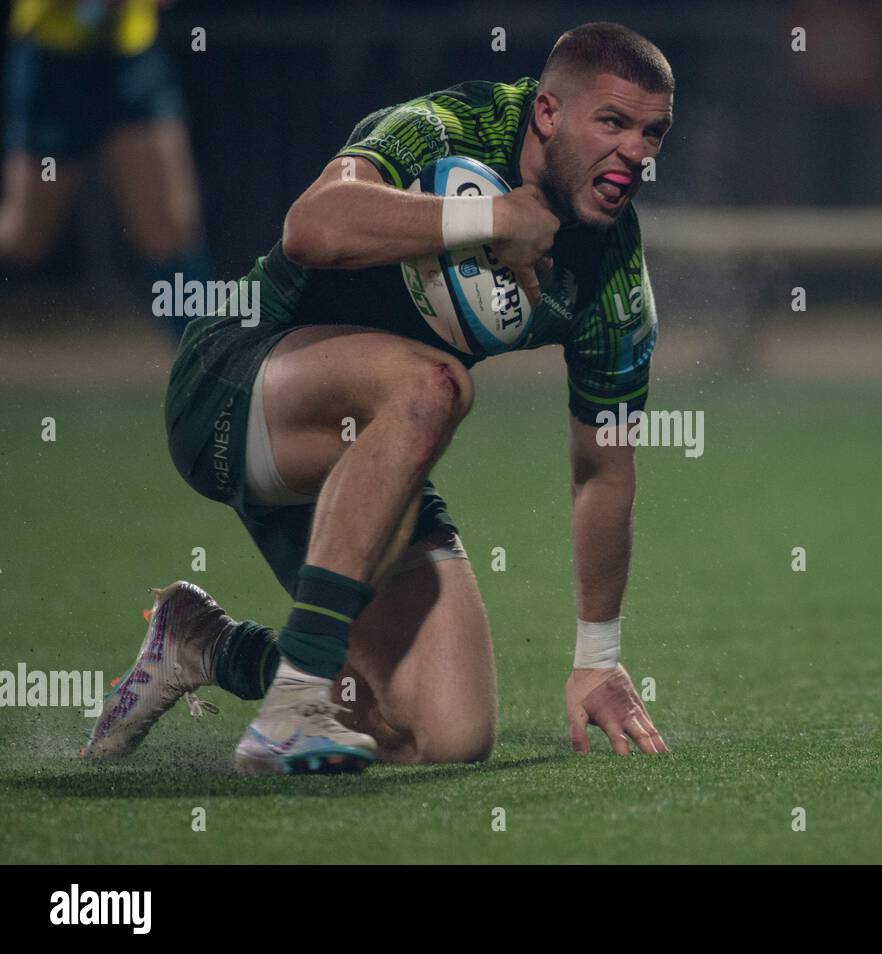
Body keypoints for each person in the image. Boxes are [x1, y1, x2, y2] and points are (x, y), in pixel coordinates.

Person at [84, 21, 673, 773]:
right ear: (549, 112)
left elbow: (603, 469)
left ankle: (206, 645)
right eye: (613, 123)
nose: (635, 151)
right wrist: (494, 218)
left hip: (368, 458)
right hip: (232, 382)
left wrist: (598, 657)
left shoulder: (613, 275)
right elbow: (311, 226)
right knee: (436, 383)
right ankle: (294, 708)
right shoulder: (451, 125)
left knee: (446, 735)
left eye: (653, 133)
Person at [1, 0, 210, 340]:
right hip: (55, 61)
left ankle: (207, 357)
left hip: (133, 59)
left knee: (170, 228)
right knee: (25, 237)